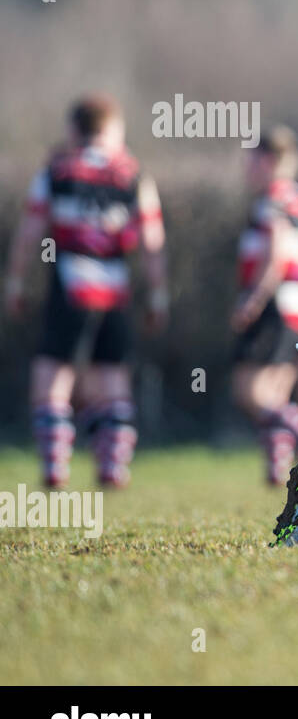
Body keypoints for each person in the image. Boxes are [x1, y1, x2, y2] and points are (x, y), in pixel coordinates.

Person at [4, 93, 167, 488]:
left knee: (51, 376)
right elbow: (152, 239)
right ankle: (113, 466)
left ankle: (55, 465)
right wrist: (158, 294)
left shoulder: (57, 173)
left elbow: (30, 233)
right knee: (112, 378)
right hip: (114, 288)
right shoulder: (133, 175)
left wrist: (15, 280)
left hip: (70, 284)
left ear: (74, 129)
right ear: (113, 129)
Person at [231, 126, 298, 486]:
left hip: (276, 303)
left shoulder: (273, 196)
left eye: (251, 160)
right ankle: (277, 470)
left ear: (268, 161)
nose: (247, 169)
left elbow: (277, 250)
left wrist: (253, 298)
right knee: (275, 393)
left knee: (248, 391)